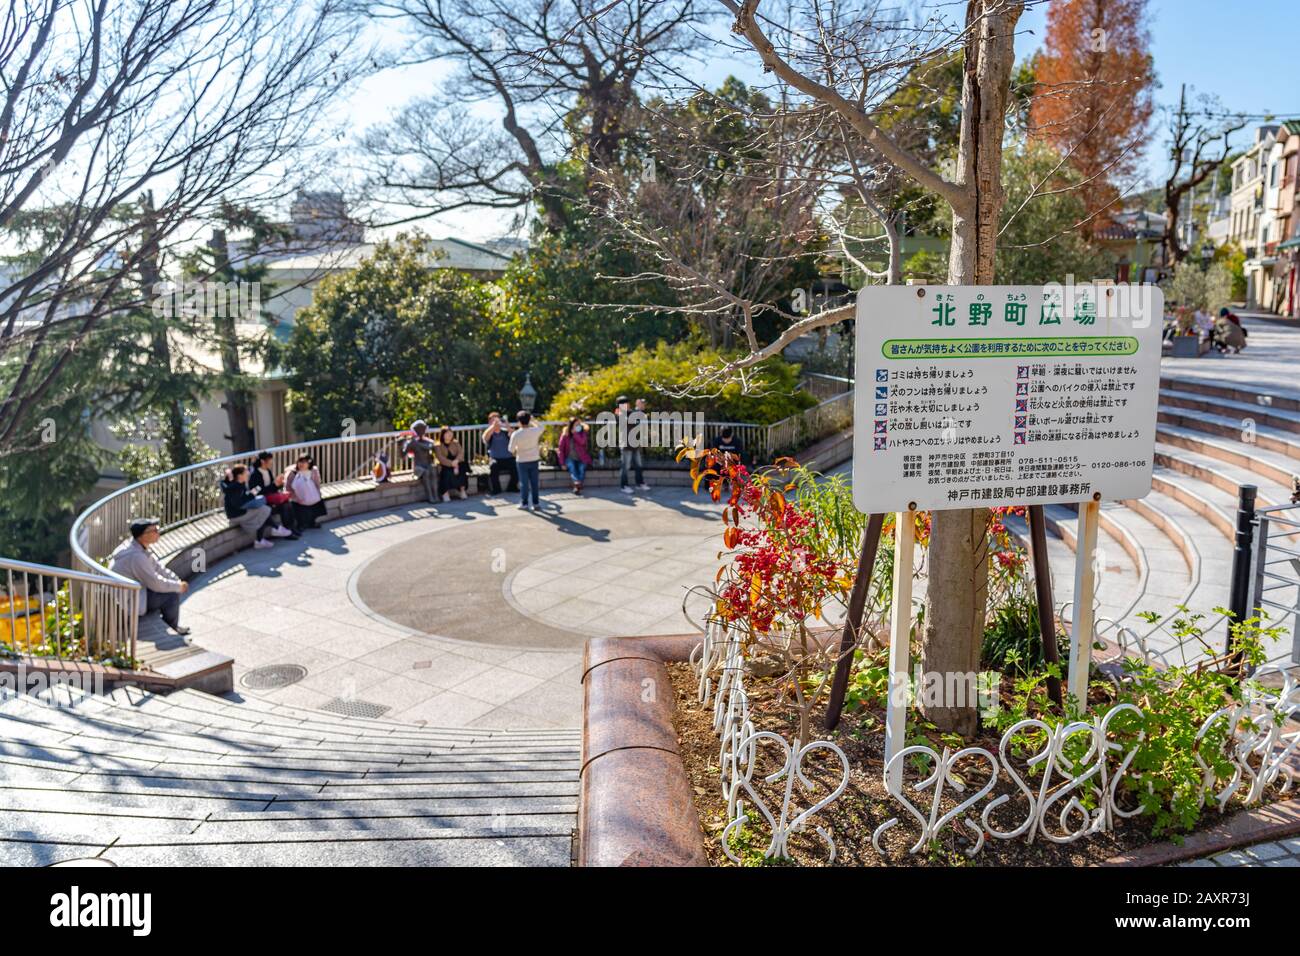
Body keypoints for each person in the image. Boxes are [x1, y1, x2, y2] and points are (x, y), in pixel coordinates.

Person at [108, 518, 190, 636]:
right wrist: (177, 587)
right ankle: (173, 627)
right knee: (171, 595)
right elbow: (155, 582)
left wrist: (176, 580)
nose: (158, 532)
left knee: (171, 588)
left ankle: (172, 625)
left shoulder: (137, 546)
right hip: (128, 602)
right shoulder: (136, 556)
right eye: (154, 530)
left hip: (134, 592)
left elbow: (158, 567)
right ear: (142, 536)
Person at [220, 465, 280, 549]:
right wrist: (252, 495)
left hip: (239, 512)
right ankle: (273, 531)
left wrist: (251, 495)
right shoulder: (235, 487)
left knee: (263, 508)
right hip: (236, 515)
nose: (248, 474)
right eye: (245, 472)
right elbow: (239, 504)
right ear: (240, 476)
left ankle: (270, 533)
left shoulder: (240, 484)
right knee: (264, 509)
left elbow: (243, 499)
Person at [248, 450, 299, 539]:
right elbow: (257, 492)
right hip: (262, 502)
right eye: (270, 460)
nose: (272, 462)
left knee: (287, 503)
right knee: (284, 504)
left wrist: (278, 483)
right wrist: (274, 484)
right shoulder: (254, 475)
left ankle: (290, 528)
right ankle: (287, 531)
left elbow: (272, 487)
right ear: (263, 461)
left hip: (271, 499)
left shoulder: (268, 471)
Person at [508, 410, 544, 511]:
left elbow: (510, 449)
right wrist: (533, 420)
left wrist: (516, 450)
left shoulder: (516, 434)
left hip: (522, 461)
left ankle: (524, 503)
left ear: (519, 421)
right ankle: (536, 503)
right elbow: (542, 427)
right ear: (529, 420)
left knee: (524, 483)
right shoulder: (535, 431)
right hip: (534, 459)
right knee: (534, 483)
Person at [616, 395, 650, 494]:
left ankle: (640, 483)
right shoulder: (619, 413)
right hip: (626, 444)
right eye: (624, 403)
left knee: (638, 465)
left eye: (627, 403)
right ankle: (624, 486)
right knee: (625, 466)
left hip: (634, 443)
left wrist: (640, 409)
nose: (627, 405)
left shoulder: (630, 412)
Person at [285, 454, 327, 529]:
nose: (302, 464)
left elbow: (317, 483)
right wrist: (295, 497)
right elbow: (288, 487)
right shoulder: (292, 473)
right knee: (298, 509)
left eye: (305, 462)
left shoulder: (313, 471)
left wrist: (318, 493)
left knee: (315, 506)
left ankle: (312, 522)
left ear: (309, 463)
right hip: (297, 497)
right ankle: (300, 525)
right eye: (300, 461)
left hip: (312, 494)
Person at [402, 419, 438, 503]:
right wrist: (402, 444)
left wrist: (416, 443)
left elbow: (430, 447)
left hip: (428, 464)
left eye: (422, 429)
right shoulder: (412, 442)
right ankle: (430, 496)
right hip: (418, 467)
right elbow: (403, 455)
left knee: (433, 471)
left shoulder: (427, 441)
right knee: (426, 473)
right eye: (418, 429)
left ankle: (436, 495)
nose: (421, 431)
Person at [482, 412, 518, 494]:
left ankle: (512, 487)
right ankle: (496, 489)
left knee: (517, 466)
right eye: (493, 420)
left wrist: (506, 425)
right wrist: (492, 427)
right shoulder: (489, 433)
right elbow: (485, 438)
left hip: (508, 458)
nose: (495, 422)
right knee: (493, 467)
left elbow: (514, 435)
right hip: (495, 459)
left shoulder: (505, 432)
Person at [556, 416, 592, 494]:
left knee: (581, 468)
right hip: (569, 458)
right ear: (571, 426)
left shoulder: (583, 433)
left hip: (582, 458)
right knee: (572, 467)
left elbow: (582, 442)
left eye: (579, 424)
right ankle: (577, 484)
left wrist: (575, 434)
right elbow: (560, 449)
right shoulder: (565, 435)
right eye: (576, 425)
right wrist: (562, 463)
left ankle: (577, 485)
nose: (578, 426)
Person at [434, 426, 470, 500]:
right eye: (447, 433)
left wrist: (456, 462)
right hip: (445, 464)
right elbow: (441, 458)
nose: (449, 434)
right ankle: (445, 492)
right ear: (442, 435)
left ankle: (462, 490)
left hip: (456, 462)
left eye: (450, 433)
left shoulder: (455, 443)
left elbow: (461, 453)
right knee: (446, 472)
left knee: (463, 467)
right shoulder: (438, 445)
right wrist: (452, 464)